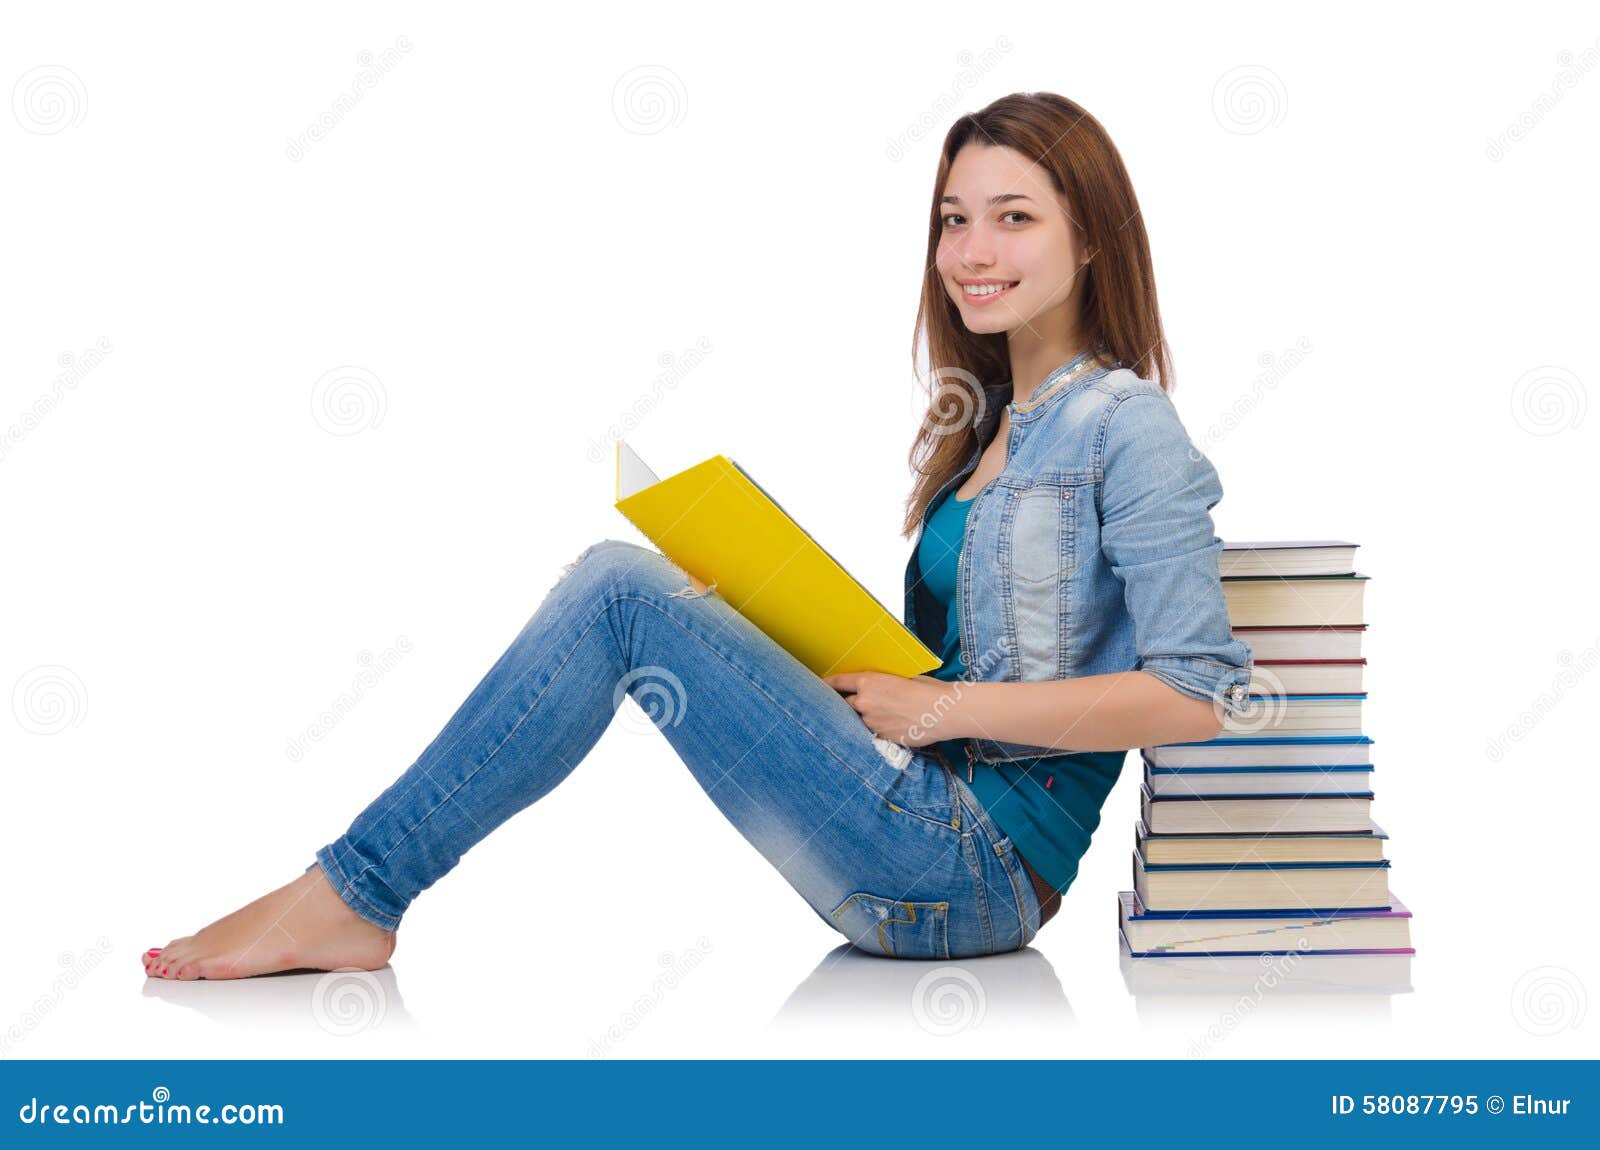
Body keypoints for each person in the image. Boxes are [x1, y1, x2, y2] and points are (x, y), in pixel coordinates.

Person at [142, 91, 1251, 978]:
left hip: (970, 873)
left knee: (618, 592)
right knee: (643, 586)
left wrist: (942, 707)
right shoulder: (983, 432)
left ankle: (350, 895)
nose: (970, 247)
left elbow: (1196, 696)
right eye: (953, 218)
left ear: (1093, 237)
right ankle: (349, 892)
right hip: (913, 807)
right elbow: (938, 679)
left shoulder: (1126, 426)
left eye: (1015, 216)